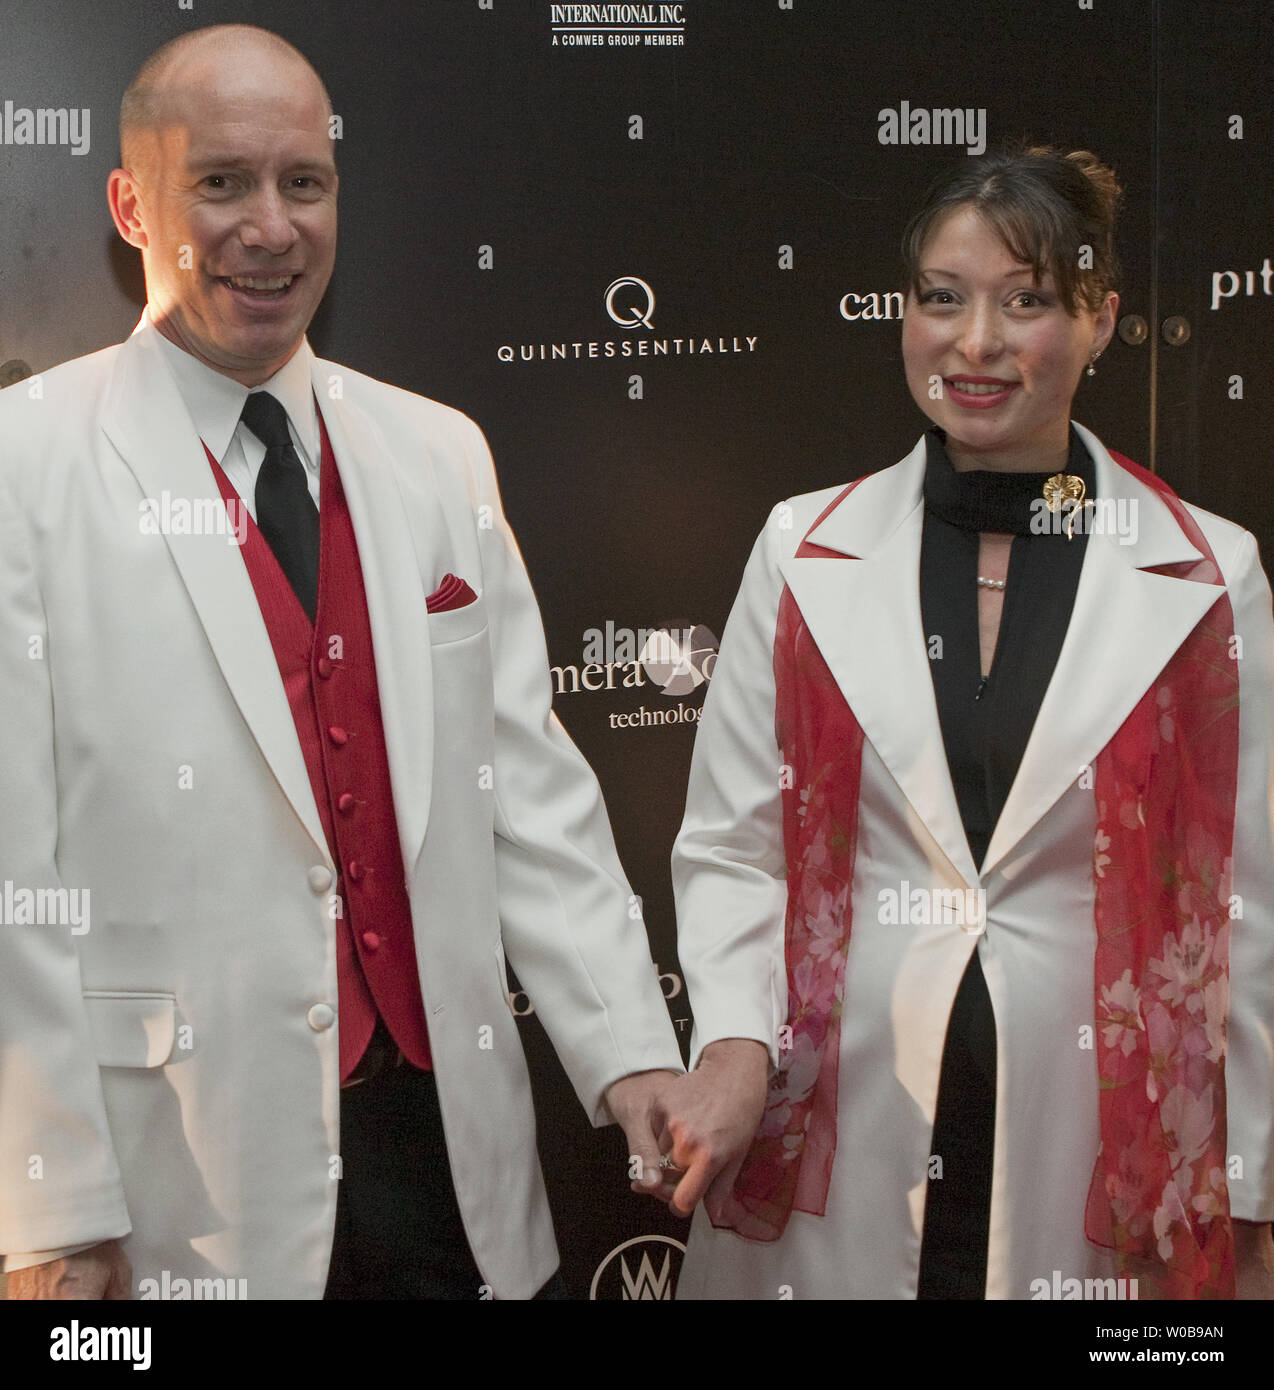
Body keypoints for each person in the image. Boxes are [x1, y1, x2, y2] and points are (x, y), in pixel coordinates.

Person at [0, 24, 684, 1301]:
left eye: (302, 183)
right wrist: (48, 1207)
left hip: (447, 1165)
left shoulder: (437, 452)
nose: (272, 226)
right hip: (179, 1192)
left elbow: (525, 791)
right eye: (222, 182)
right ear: (130, 205)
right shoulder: (22, 464)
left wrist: (627, 1050)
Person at [661, 146, 1274, 1299]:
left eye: (1026, 300)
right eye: (941, 297)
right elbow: (731, 846)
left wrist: (1246, 1190)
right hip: (837, 1125)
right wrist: (732, 1045)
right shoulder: (802, 548)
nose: (975, 342)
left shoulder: (1208, 571)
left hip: (1088, 1138)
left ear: (1098, 320)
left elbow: (1252, 901)